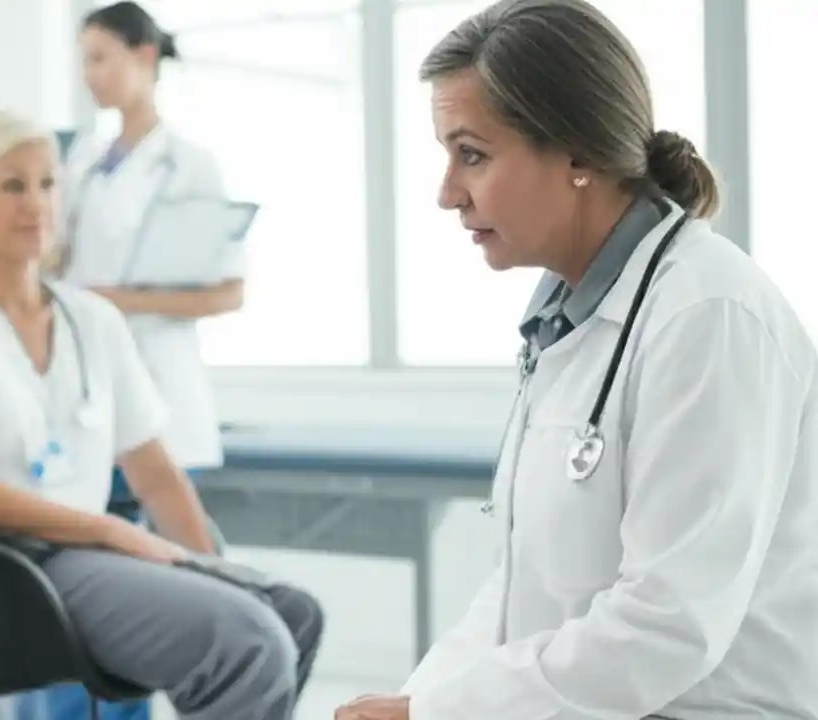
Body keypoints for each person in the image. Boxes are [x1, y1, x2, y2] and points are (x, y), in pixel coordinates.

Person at [336, 1, 818, 718]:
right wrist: (419, 701)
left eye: (472, 154)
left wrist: (433, 716)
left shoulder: (709, 316)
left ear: (579, 154)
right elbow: (515, 588)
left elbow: (668, 624)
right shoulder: (569, 320)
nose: (447, 194)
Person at [0, 109, 324, 720]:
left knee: (292, 614)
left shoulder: (91, 319)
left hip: (91, 551)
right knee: (249, 644)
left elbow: (156, 475)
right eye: (13, 185)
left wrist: (210, 569)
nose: (35, 203)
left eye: (48, 184)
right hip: (4, 562)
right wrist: (110, 531)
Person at [62, 2, 245, 511]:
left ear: (144, 55)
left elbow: (229, 293)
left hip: (160, 384)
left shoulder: (190, 166)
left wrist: (116, 299)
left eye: (100, 58)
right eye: (84, 61)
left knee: (167, 551)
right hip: (86, 382)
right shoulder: (83, 161)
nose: (89, 75)